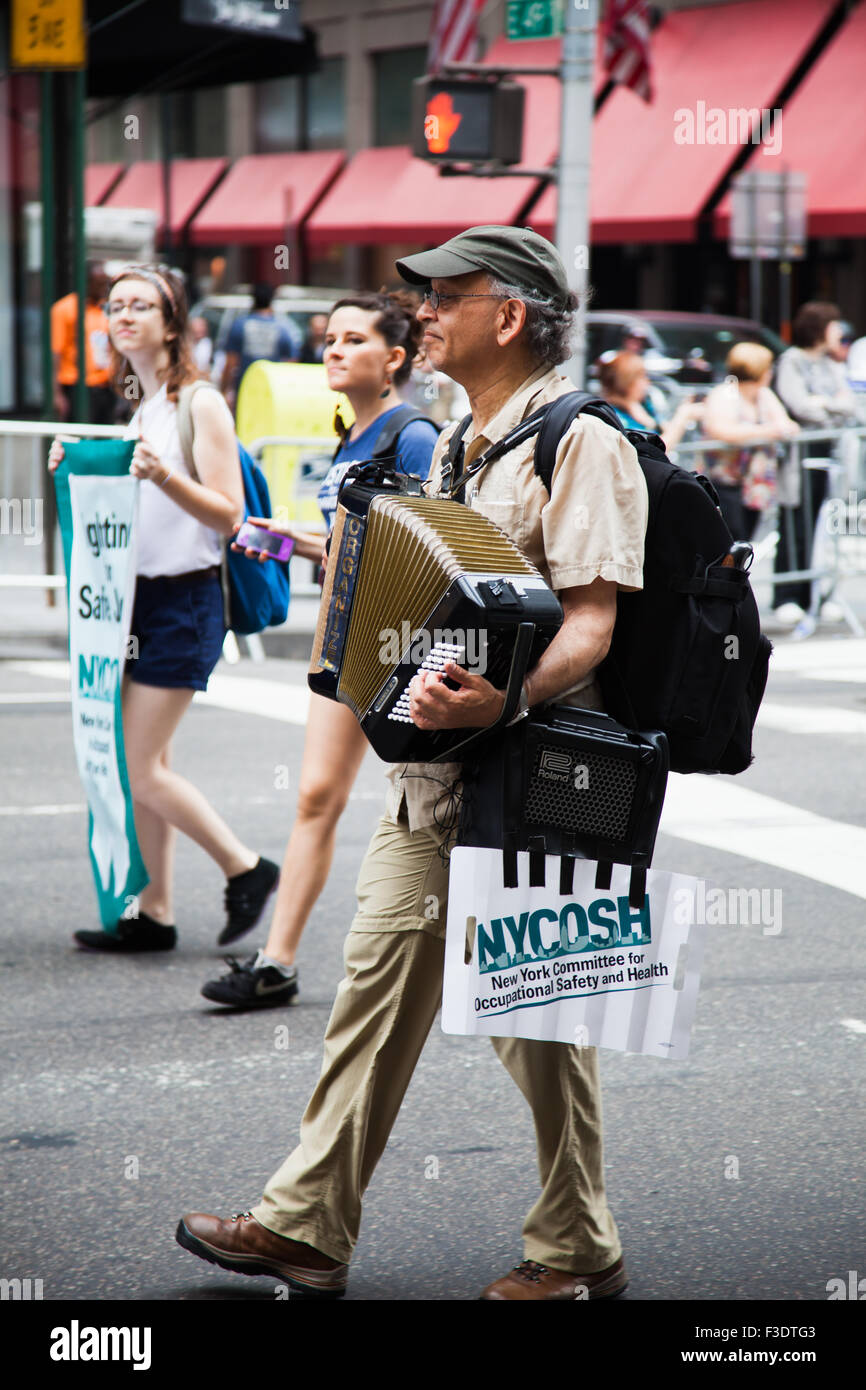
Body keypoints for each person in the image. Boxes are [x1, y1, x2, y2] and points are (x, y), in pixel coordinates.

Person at [177, 225, 648, 1301]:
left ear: (511, 314)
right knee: (373, 992)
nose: (420, 312)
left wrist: (503, 695)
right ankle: (306, 1226)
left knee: (535, 1024)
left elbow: (589, 623)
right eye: (418, 296)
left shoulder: (580, 441)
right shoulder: (447, 443)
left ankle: (578, 1250)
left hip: (537, 784)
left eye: (444, 295)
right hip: (432, 778)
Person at [200, 291, 439, 1009]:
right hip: (342, 633)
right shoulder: (352, 434)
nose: (333, 349)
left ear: (393, 359)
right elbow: (350, 544)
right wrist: (285, 539)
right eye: (329, 338)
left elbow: (436, 544)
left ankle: (459, 958)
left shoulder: (414, 434)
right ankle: (277, 962)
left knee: (431, 807)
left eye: (353, 339)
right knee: (315, 797)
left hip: (396, 644)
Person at [49, 263, 279, 953]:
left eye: (139, 306)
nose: (122, 316)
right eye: (114, 306)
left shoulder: (198, 401)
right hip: (136, 602)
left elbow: (228, 514)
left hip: (184, 603)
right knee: (149, 761)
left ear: (171, 322)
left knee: (136, 765)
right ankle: (155, 913)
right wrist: (81, 462)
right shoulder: (142, 406)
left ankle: (246, 866)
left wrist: (163, 474)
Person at [772, 302, 860, 623]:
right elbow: (799, 404)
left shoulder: (831, 364)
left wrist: (823, 405)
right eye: (834, 327)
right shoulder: (792, 361)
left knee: (823, 526)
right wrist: (829, 406)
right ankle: (788, 595)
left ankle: (815, 593)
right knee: (795, 521)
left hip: (829, 451)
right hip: (799, 455)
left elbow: (848, 403)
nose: (839, 334)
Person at [701, 343, 799, 542]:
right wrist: (768, 431)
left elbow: (788, 426)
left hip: (754, 485)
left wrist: (766, 431)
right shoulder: (725, 393)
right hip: (724, 483)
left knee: (745, 541)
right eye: (768, 367)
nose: (771, 372)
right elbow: (721, 429)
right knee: (728, 541)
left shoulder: (764, 395)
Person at [599, 351, 704, 450]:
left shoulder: (644, 405)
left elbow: (663, 429)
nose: (647, 382)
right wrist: (683, 415)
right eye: (642, 377)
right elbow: (654, 452)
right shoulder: (613, 416)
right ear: (626, 383)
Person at [51, 261, 114, 424]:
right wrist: (56, 394)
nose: (103, 288)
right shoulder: (65, 309)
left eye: (105, 283)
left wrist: (130, 391)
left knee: (105, 436)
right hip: (77, 386)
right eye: (99, 284)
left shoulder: (106, 308)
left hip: (106, 384)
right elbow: (55, 352)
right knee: (78, 437)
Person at [220, 283, 300, 406]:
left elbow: (231, 362)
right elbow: (291, 362)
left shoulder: (239, 325)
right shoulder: (282, 327)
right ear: (271, 301)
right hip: (272, 388)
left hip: (245, 387)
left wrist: (224, 389)